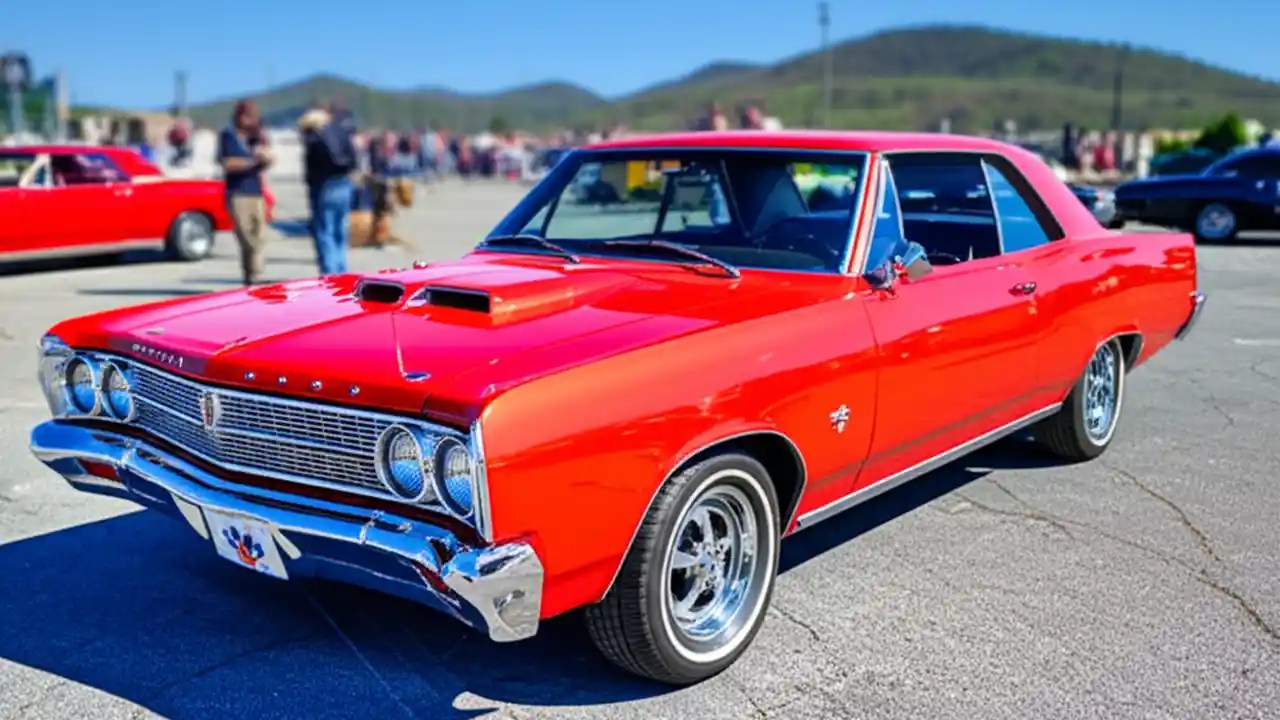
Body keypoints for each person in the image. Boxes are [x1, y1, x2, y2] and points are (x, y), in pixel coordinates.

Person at [217, 99, 272, 285]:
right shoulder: (227, 135)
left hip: (256, 191)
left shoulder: (256, 136)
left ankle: (253, 277)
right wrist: (252, 163)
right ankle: (252, 274)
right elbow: (227, 163)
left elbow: (265, 158)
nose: (251, 121)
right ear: (240, 116)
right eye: (249, 117)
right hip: (237, 192)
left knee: (260, 235)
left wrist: (265, 158)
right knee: (247, 238)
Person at [302, 103, 357, 275]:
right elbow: (354, 159)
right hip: (344, 184)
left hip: (324, 186)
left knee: (325, 233)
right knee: (341, 231)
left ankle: (330, 275)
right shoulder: (342, 131)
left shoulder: (314, 139)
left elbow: (310, 172)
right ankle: (342, 272)